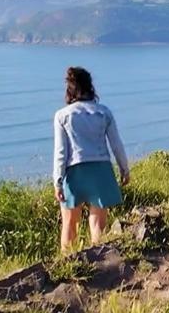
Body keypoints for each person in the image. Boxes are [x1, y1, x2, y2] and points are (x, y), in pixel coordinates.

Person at [52, 66, 130, 253]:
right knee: (98, 225)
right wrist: (124, 169)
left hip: (74, 171)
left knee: (69, 225)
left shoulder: (62, 115)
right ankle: (99, 263)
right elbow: (116, 144)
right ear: (90, 87)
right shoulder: (104, 112)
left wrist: (57, 180)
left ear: (69, 89)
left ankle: (67, 265)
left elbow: (60, 152)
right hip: (101, 170)